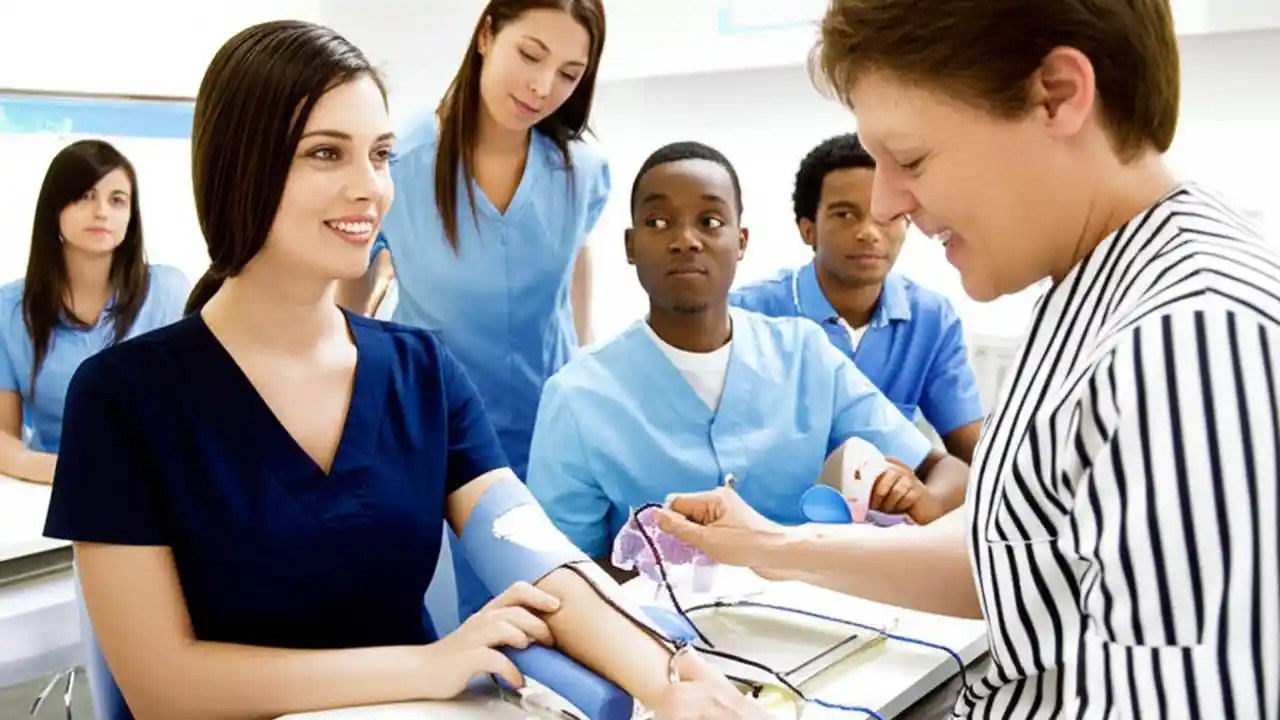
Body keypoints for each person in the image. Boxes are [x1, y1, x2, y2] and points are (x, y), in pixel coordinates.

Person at [42, 21, 763, 719]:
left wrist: (677, 680)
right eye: (327, 153)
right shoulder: (123, 398)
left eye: (380, 154)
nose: (372, 188)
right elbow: (164, 687)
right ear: (241, 164)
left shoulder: (420, 371)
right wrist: (424, 664)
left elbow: (535, 557)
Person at [657, 2, 1280, 719]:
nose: (887, 204)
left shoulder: (1189, 345)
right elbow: (1031, 559)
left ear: (1057, 96)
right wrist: (771, 546)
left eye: (911, 159)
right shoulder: (1095, 289)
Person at [526, 141, 971, 559]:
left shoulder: (806, 357)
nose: (686, 240)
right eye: (659, 223)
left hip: (807, 604)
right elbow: (563, 569)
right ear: (630, 246)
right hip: (650, 615)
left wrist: (924, 499)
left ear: (741, 242)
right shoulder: (577, 396)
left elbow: (946, 469)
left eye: (710, 222)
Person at [338, 0, 610, 623]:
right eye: (530, 55)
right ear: (486, 34)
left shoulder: (582, 170)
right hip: (436, 432)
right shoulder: (399, 161)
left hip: (553, 428)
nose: (542, 87)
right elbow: (351, 295)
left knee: (566, 613)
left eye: (569, 74)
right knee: (473, 619)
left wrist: (586, 350)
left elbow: (576, 259)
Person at [731, 134, 984, 462]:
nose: (868, 232)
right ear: (808, 230)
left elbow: (972, 452)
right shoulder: (747, 313)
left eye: (887, 215)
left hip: (890, 494)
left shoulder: (932, 319)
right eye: (845, 215)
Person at [0, 139, 187, 485]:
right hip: (51, 487)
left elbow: (189, 418)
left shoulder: (167, 292)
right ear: (55, 208)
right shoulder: (9, 309)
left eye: (117, 200)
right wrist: (75, 473)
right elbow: (3, 439)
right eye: (85, 196)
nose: (101, 212)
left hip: (153, 487)